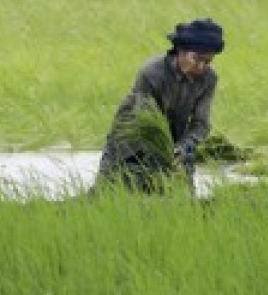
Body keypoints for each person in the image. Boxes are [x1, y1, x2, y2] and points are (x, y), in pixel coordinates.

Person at [93, 18, 224, 194]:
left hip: (176, 144)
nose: (200, 66)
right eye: (196, 59)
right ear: (181, 51)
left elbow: (201, 123)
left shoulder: (209, 79)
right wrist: (165, 152)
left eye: (207, 62)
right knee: (109, 195)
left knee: (180, 200)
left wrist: (184, 146)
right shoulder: (152, 73)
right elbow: (145, 121)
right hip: (131, 141)